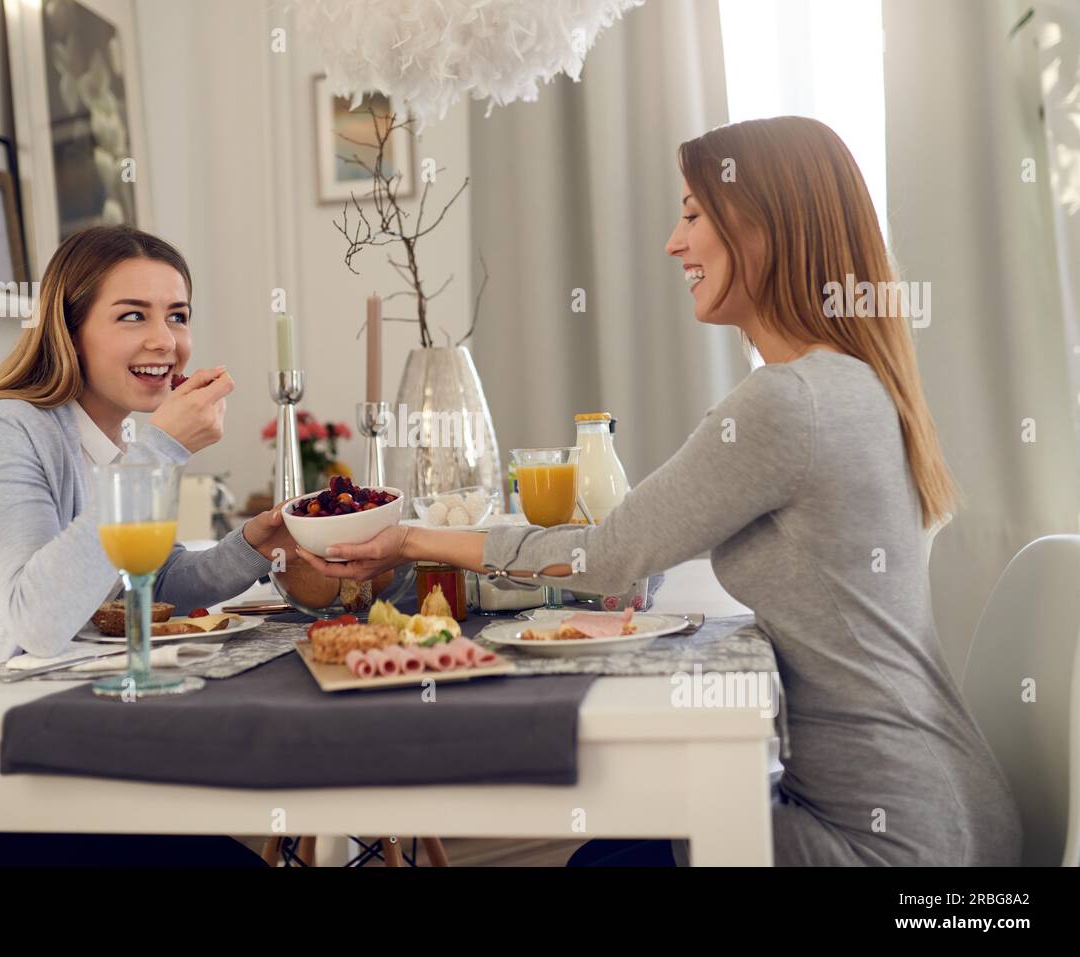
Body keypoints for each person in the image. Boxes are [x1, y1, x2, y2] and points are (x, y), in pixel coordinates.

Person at [296, 117, 1024, 867]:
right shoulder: (853, 381)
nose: (675, 243)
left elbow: (607, 555)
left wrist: (409, 537)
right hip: (948, 811)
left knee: (613, 845)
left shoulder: (786, 402)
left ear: (764, 223)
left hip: (894, 845)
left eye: (691, 214)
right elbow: (635, 553)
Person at [0, 225, 289, 867]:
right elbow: (39, 616)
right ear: (68, 332)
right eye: (133, 315)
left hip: (41, 760)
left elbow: (155, 579)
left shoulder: (117, 444)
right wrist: (161, 450)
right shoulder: (1, 432)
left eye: (177, 315)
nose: (165, 339)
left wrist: (257, 543)